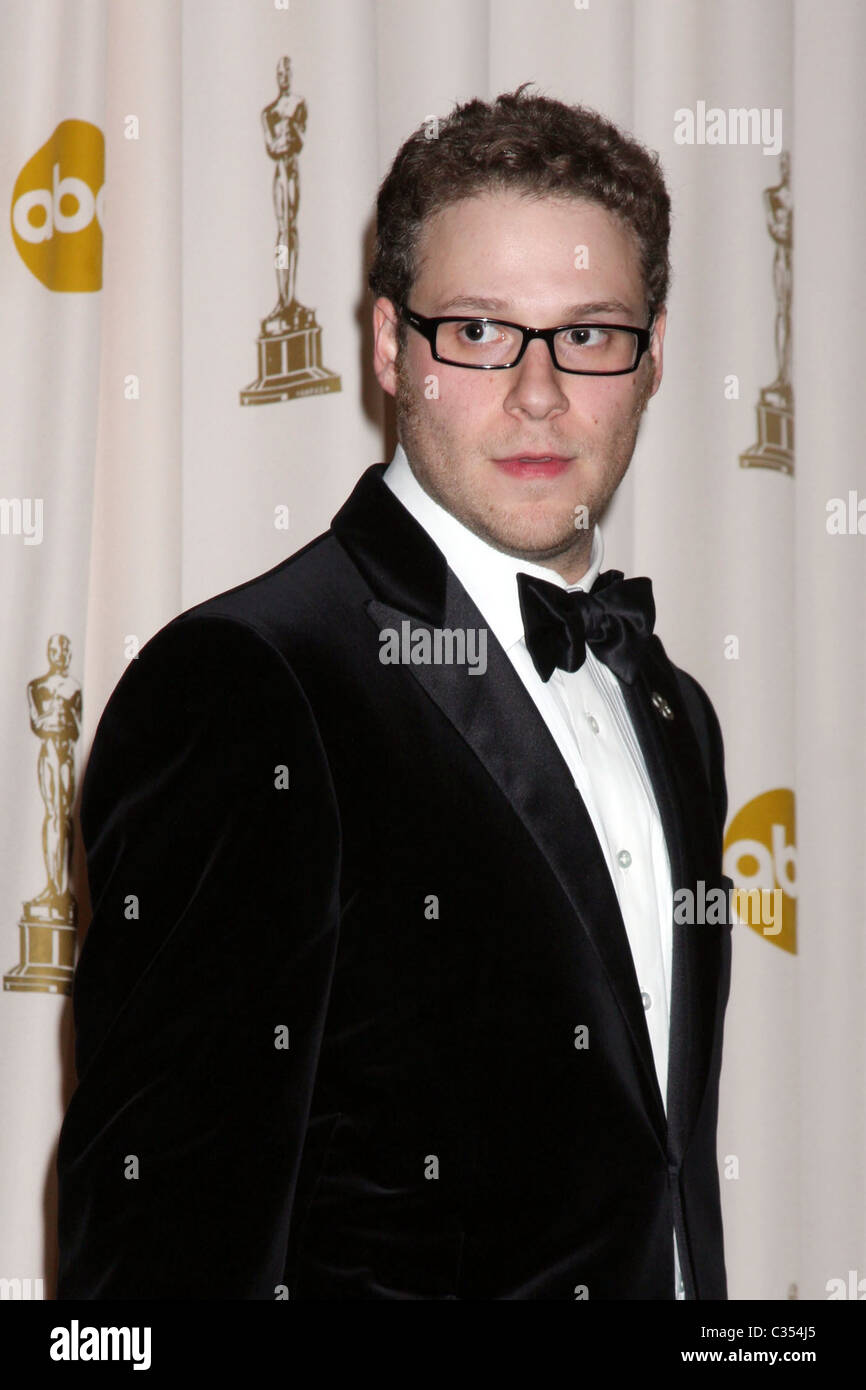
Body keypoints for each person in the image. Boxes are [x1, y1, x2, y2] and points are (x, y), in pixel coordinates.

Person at [56, 85, 733, 1300]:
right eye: (476, 332)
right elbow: (151, 1262)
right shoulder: (252, 686)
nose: (537, 393)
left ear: (651, 357)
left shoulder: (671, 708)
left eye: (587, 333)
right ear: (387, 347)